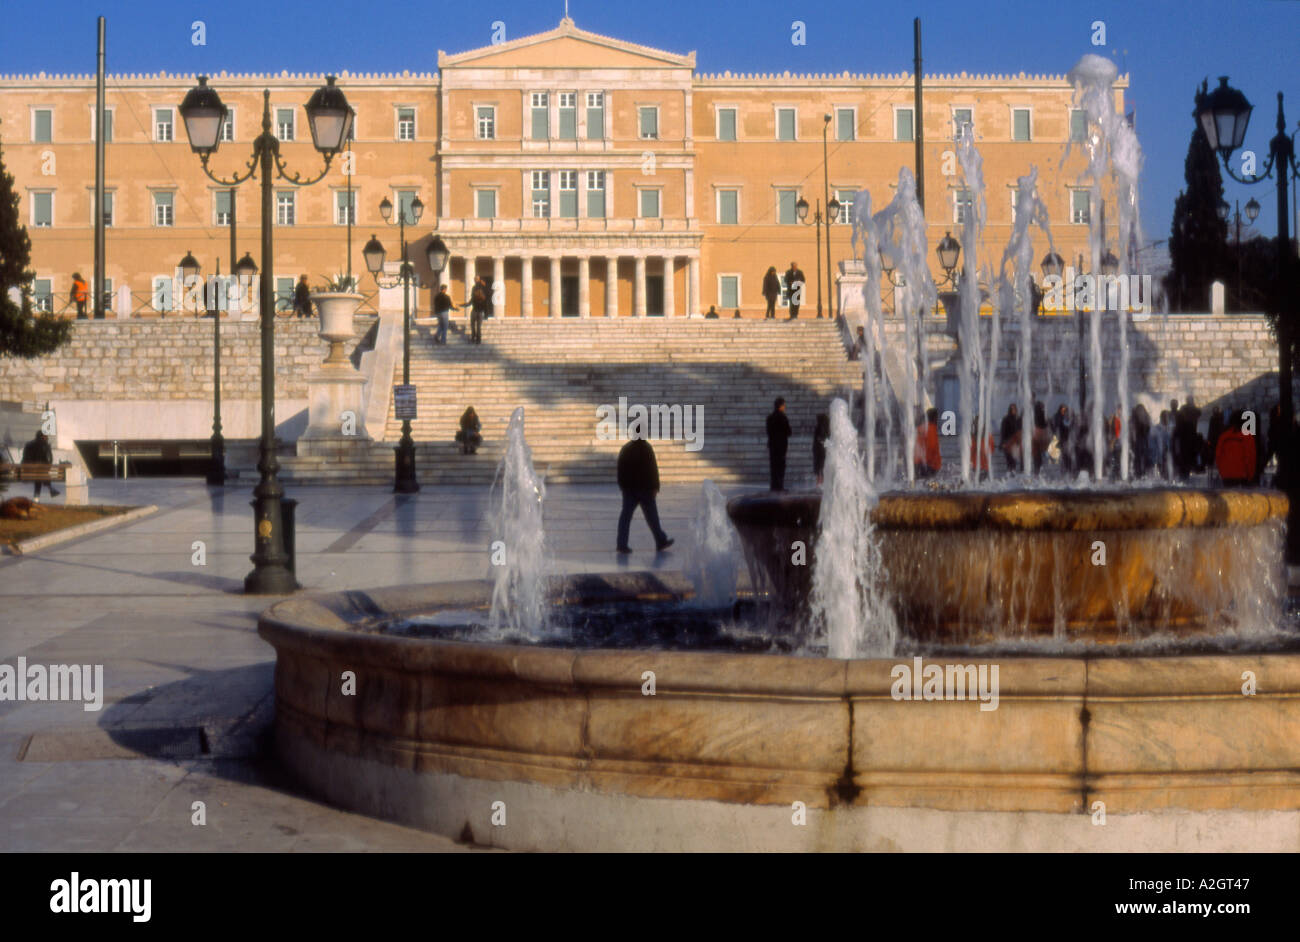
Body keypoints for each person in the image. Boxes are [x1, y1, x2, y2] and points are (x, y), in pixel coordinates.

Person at [616, 433, 673, 553]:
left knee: (625, 517)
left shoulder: (626, 448)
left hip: (630, 490)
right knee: (652, 517)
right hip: (645, 490)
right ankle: (660, 540)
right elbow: (653, 469)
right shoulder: (646, 448)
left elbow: (620, 469)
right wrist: (655, 487)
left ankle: (621, 544)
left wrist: (623, 486)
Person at [1216, 410, 1257, 487]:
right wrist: (1250, 476)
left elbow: (1218, 456)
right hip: (1242, 476)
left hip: (1226, 474)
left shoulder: (1224, 436)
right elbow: (1250, 457)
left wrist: (1222, 471)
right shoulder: (1248, 436)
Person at [21, 431, 58, 499]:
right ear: (42, 437)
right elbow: (49, 459)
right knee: (42, 475)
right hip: (39, 471)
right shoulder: (45, 445)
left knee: (40, 477)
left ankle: (38, 496)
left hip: (28, 471)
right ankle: (49, 488)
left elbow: (25, 458)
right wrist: (48, 466)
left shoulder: (29, 444)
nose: (47, 438)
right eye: (46, 436)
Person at [766, 397, 792, 491]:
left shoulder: (770, 418)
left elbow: (768, 432)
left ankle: (774, 486)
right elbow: (789, 432)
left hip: (773, 446)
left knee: (773, 466)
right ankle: (780, 486)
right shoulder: (783, 417)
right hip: (781, 446)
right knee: (780, 467)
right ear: (780, 406)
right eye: (784, 405)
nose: (785, 407)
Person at [914, 407, 941, 478]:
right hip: (928, 465)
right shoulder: (931, 428)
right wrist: (932, 463)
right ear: (935, 418)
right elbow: (932, 446)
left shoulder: (919, 428)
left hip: (917, 463)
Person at [1050, 404, 1072, 474]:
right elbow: (1055, 426)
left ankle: (1065, 469)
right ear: (1060, 409)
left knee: (1065, 455)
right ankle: (1064, 470)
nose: (1064, 411)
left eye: (1065, 410)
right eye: (1063, 409)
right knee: (1063, 455)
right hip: (1060, 438)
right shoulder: (1058, 417)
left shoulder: (1065, 417)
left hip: (1064, 438)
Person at [999, 403, 1022, 472]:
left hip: (1015, 443)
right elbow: (1003, 431)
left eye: (1014, 409)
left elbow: (1020, 430)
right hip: (1008, 442)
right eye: (1012, 409)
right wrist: (1003, 442)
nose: (1013, 410)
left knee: (1013, 460)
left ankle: (1012, 473)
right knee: (1009, 459)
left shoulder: (1018, 419)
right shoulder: (1006, 419)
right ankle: (1010, 474)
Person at [812, 412, 830, 486]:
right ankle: (821, 483)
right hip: (823, 450)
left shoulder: (819, 427)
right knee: (822, 467)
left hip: (818, 450)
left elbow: (818, 439)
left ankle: (819, 483)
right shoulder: (826, 427)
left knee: (819, 467)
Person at [468, 277, 487, 344]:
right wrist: (486, 313)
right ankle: (478, 339)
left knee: (474, 325)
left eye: (476, 279)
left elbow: (472, 299)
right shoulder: (483, 288)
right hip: (479, 310)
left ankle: (474, 338)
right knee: (477, 326)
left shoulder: (475, 288)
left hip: (476, 310)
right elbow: (486, 302)